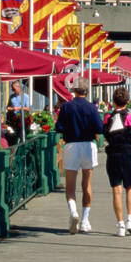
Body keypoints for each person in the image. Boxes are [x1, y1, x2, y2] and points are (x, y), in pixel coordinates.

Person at [54, 79, 104, 234]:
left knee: (70, 185)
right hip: (88, 146)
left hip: (71, 145)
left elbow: (59, 127)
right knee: (87, 184)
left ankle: (73, 211)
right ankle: (85, 220)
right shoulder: (92, 107)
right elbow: (99, 127)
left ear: (73, 90)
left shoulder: (67, 107)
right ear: (87, 91)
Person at [103, 90, 131, 236]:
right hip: (128, 153)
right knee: (129, 187)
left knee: (116, 189)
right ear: (127, 102)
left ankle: (120, 225)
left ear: (113, 102)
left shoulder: (108, 117)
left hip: (112, 154)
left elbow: (105, 134)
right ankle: (130, 220)